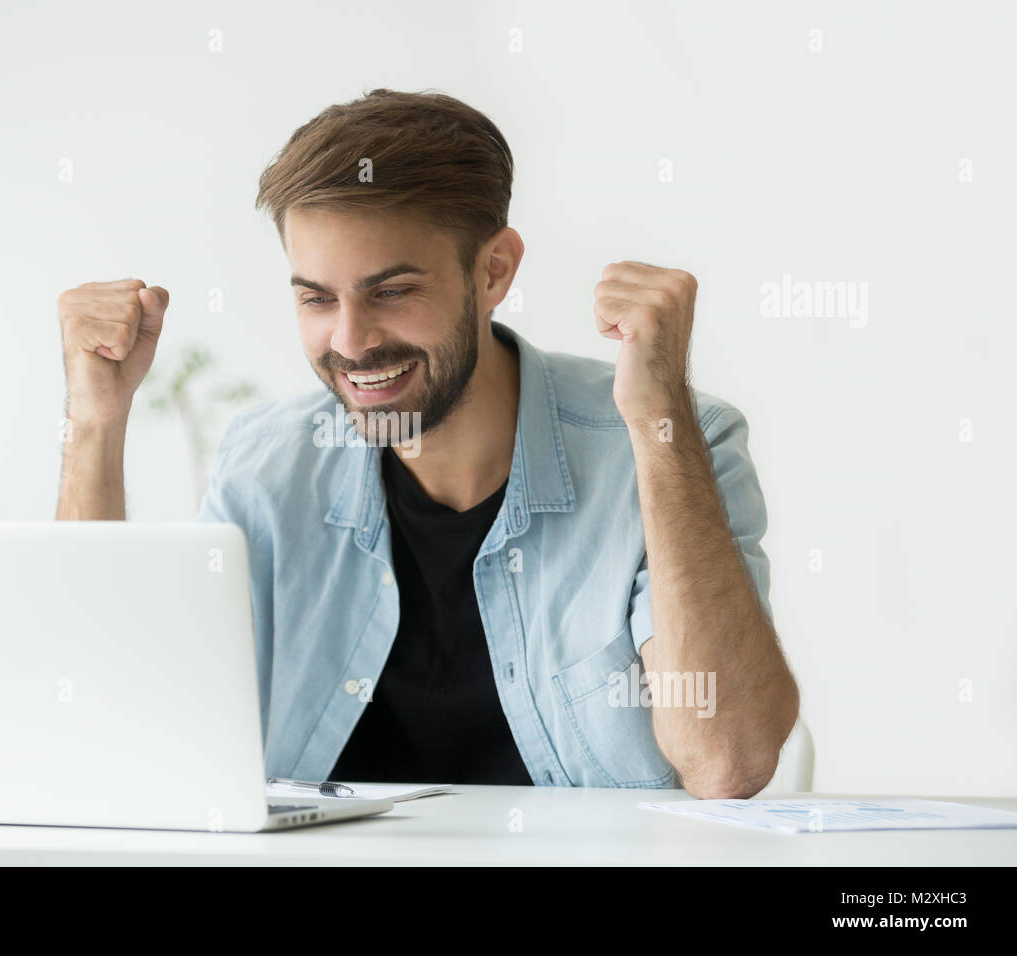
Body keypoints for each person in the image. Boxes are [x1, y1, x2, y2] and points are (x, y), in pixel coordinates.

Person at [55, 88, 799, 797]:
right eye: (316, 298)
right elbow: (112, 737)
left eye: (392, 291)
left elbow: (726, 760)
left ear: (494, 270)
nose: (351, 342)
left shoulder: (670, 442)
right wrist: (95, 424)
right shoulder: (268, 467)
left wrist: (658, 423)